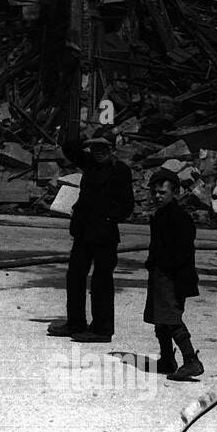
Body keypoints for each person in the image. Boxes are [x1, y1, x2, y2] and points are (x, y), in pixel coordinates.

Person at [47, 127, 134, 344]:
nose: (99, 151)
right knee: (75, 277)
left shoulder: (120, 170)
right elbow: (69, 148)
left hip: (104, 235)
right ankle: (75, 323)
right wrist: (86, 138)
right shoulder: (90, 164)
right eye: (95, 147)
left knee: (101, 282)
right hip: (83, 233)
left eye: (104, 147)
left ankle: (102, 330)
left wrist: (107, 218)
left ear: (112, 149)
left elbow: (127, 206)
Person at [144, 169, 204, 381]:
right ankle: (167, 358)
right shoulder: (160, 215)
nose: (158, 196)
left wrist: (166, 269)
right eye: (155, 193)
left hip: (173, 276)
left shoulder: (180, 218)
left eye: (162, 192)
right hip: (160, 273)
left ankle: (191, 360)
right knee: (159, 318)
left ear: (174, 193)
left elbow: (182, 253)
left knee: (171, 318)